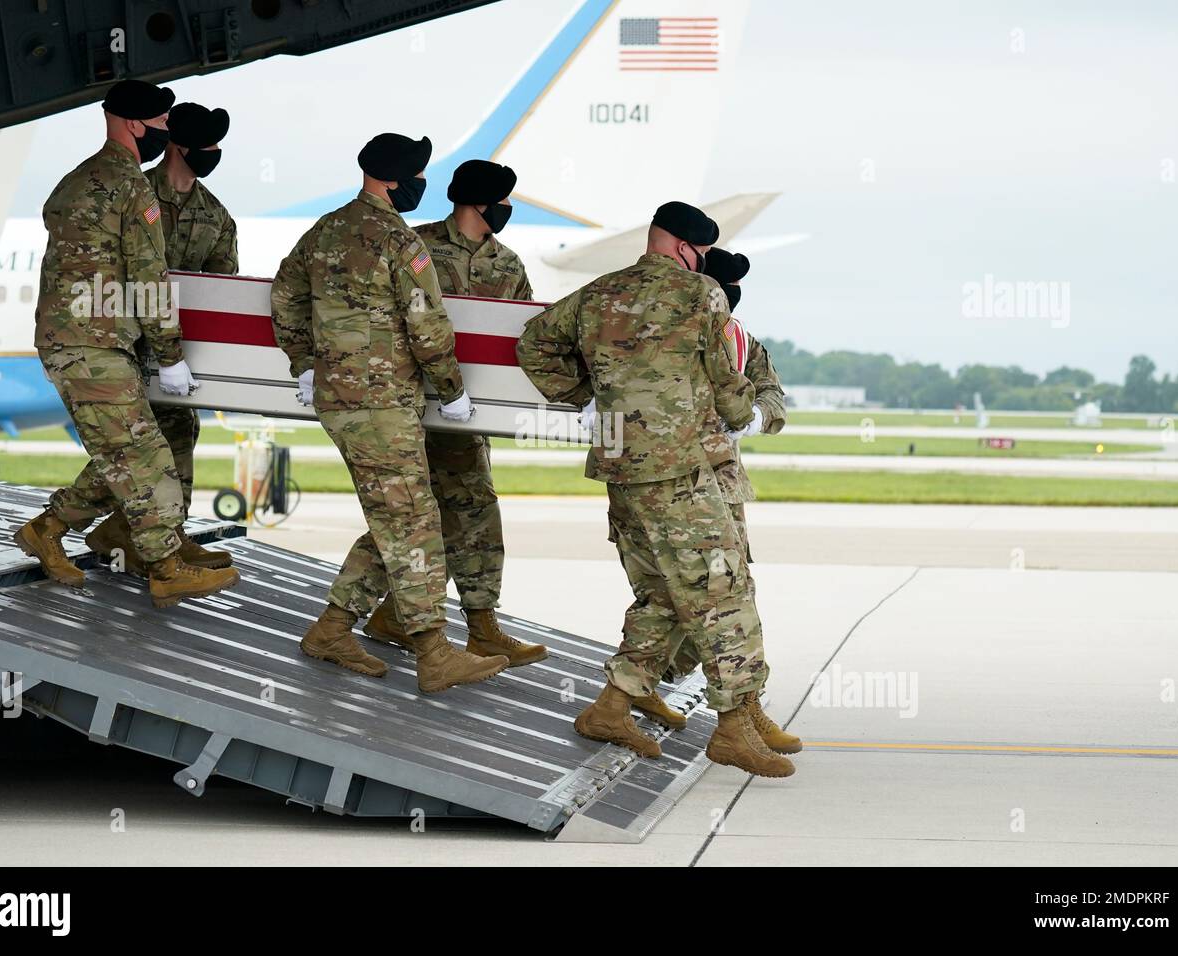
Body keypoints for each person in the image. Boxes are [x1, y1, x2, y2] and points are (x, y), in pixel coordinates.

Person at [517, 201, 794, 777]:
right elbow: (723, 375)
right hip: (677, 469)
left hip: (622, 465)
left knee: (668, 592)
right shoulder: (700, 295)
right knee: (723, 588)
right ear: (684, 248)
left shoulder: (598, 293)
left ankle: (615, 704)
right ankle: (733, 725)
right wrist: (744, 412)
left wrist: (586, 396)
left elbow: (533, 344)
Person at [270, 132, 510, 694]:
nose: (423, 187)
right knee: (412, 519)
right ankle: (431, 651)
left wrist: (305, 361)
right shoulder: (400, 242)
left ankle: (335, 628)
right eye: (418, 177)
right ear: (397, 181)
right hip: (382, 402)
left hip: (340, 400)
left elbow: (284, 295)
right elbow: (428, 325)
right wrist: (451, 389)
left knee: (396, 515)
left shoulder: (326, 229)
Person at [13, 79, 239, 608]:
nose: (166, 130)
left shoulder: (75, 182)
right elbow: (148, 277)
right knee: (145, 458)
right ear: (138, 124)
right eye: (162, 123)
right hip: (99, 343)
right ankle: (162, 567)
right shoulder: (134, 188)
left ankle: (80, 533)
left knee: (131, 451)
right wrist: (171, 355)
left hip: (80, 339)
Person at [363, 159, 546, 666]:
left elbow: (524, 337)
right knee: (426, 516)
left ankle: (441, 621)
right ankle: (435, 621)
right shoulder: (415, 245)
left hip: (468, 416)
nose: (508, 209)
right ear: (481, 202)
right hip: (410, 407)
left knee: (464, 513)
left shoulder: (508, 265)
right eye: (504, 200)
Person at [655, 247, 802, 756]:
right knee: (686, 595)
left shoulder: (743, 340)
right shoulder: (672, 335)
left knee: (729, 592)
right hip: (673, 478)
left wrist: (756, 417)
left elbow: (773, 395)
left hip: (724, 481)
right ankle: (640, 688)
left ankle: (742, 704)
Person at [84, 100, 237, 573]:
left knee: (179, 433)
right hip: (126, 342)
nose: (212, 152)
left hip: (174, 352)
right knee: (134, 446)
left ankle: (166, 535)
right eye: (205, 143)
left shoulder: (216, 216)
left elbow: (220, 291)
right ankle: (96, 527)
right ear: (177, 144)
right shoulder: (135, 192)